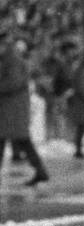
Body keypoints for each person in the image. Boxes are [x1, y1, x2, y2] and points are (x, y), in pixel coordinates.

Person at [0, 28, 51, 188]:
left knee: (15, 141)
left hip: (11, 110)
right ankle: (40, 171)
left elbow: (13, 83)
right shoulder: (11, 59)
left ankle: (41, 171)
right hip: (12, 110)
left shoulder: (12, 60)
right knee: (22, 141)